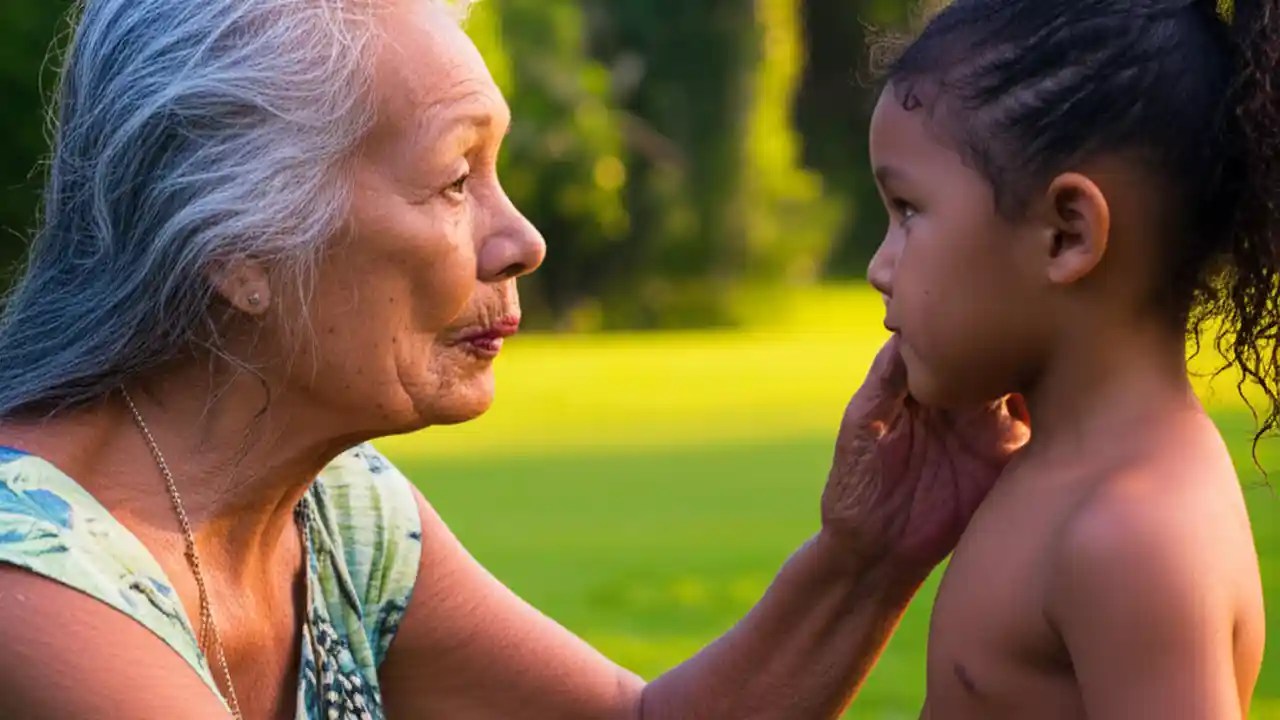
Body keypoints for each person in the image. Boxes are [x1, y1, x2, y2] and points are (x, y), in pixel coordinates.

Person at [0, 0, 1028, 718]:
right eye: (455, 181)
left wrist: (868, 555)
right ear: (239, 251)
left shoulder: (336, 515)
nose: (521, 239)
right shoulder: (30, 584)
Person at [865, 0, 1274, 716]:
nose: (880, 266)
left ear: (1066, 234)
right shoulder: (1054, 473)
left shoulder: (1133, 535)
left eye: (908, 210)